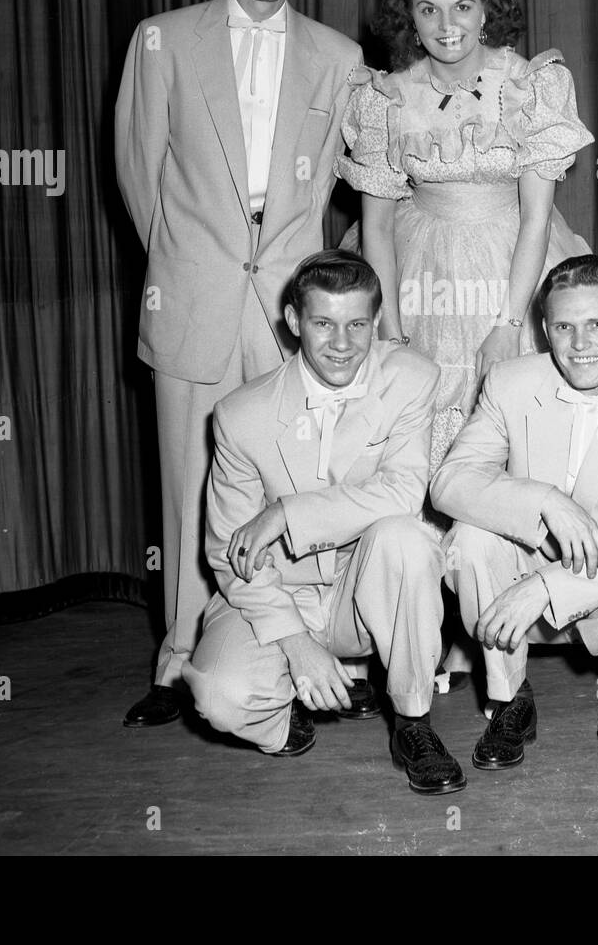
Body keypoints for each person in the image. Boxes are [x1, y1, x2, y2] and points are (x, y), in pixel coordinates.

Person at [115, 0, 362, 728]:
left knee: (297, 481)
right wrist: (196, 262)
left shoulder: (338, 56)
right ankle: (179, 654)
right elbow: (139, 179)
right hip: (191, 296)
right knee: (188, 485)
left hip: (291, 307)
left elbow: (339, 183)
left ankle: (302, 652)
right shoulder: (162, 41)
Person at [182, 251, 465, 797]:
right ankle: (289, 714)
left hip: (365, 590)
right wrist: (296, 644)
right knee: (221, 696)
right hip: (278, 593)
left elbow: (404, 491)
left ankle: (412, 719)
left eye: (357, 324)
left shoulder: (411, 378)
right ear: (294, 323)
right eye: (323, 324)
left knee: (406, 537)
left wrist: (287, 513)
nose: (342, 343)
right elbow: (227, 552)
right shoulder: (241, 416)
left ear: (377, 323)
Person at [430, 256, 598, 770]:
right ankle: (509, 698)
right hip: (527, 556)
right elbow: (449, 484)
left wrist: (545, 588)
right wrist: (547, 502)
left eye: (597, 324)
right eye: (564, 327)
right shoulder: (510, 382)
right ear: (545, 329)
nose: (579, 345)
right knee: (470, 540)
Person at [337, 0, 593, 470]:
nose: (446, 25)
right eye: (428, 9)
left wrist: (508, 324)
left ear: (485, 9)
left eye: (462, 6)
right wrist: (392, 335)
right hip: (417, 272)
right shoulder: (383, 97)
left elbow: (537, 218)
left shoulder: (530, 85)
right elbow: (376, 231)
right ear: (409, 14)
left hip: (514, 266)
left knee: (516, 438)